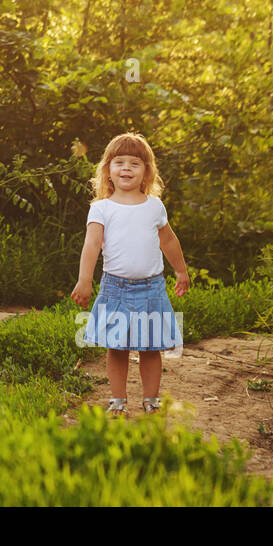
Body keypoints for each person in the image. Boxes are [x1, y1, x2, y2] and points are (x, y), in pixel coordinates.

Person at [70, 132, 189, 416]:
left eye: (134, 163)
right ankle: (118, 401)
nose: (126, 168)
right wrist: (85, 280)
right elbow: (92, 245)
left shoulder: (154, 206)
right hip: (115, 288)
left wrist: (181, 270)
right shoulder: (101, 208)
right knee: (117, 347)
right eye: (119, 162)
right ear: (108, 170)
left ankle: (150, 400)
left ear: (146, 171)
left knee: (151, 349)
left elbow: (169, 241)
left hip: (152, 288)